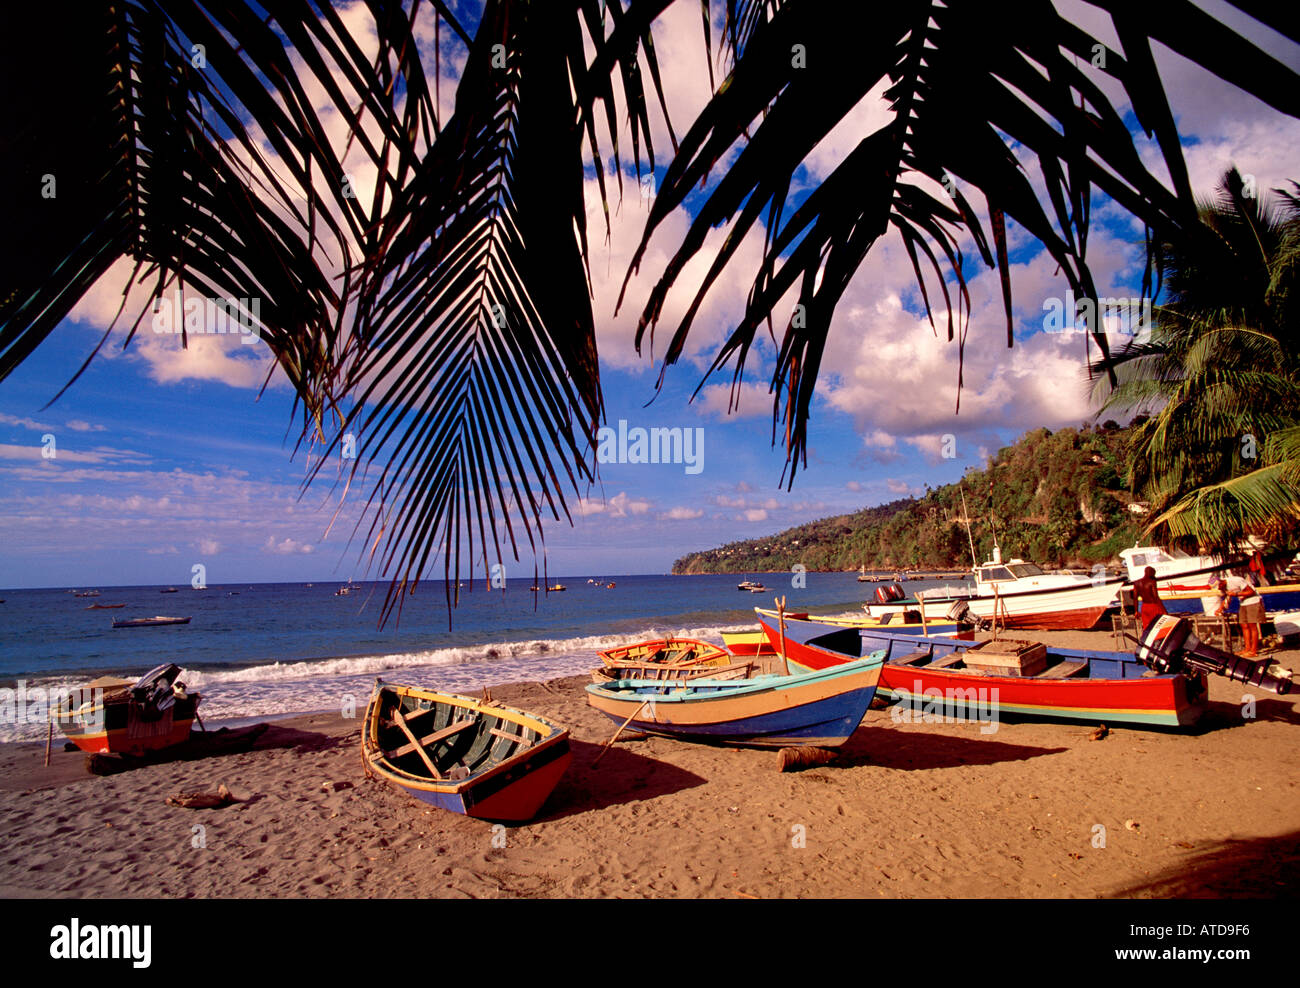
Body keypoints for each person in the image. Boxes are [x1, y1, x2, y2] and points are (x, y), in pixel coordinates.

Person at [1216, 575, 1263, 657]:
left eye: (1219, 587)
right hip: (1243, 603)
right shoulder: (1224, 587)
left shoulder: (1236, 580)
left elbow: (1251, 591)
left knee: (1252, 625)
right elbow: (1228, 597)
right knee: (1244, 625)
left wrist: (1236, 594)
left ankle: (1253, 651)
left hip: (1253, 601)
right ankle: (1247, 649)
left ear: (1222, 582)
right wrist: (1220, 608)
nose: (1219, 589)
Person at [1131, 565, 1168, 631]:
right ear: (1151, 573)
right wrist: (1164, 610)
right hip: (1153, 606)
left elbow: (1135, 598)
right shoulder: (1152, 581)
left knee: (1147, 628)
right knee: (1157, 626)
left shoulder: (1136, 583)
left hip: (1144, 607)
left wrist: (1136, 611)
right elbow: (1155, 597)